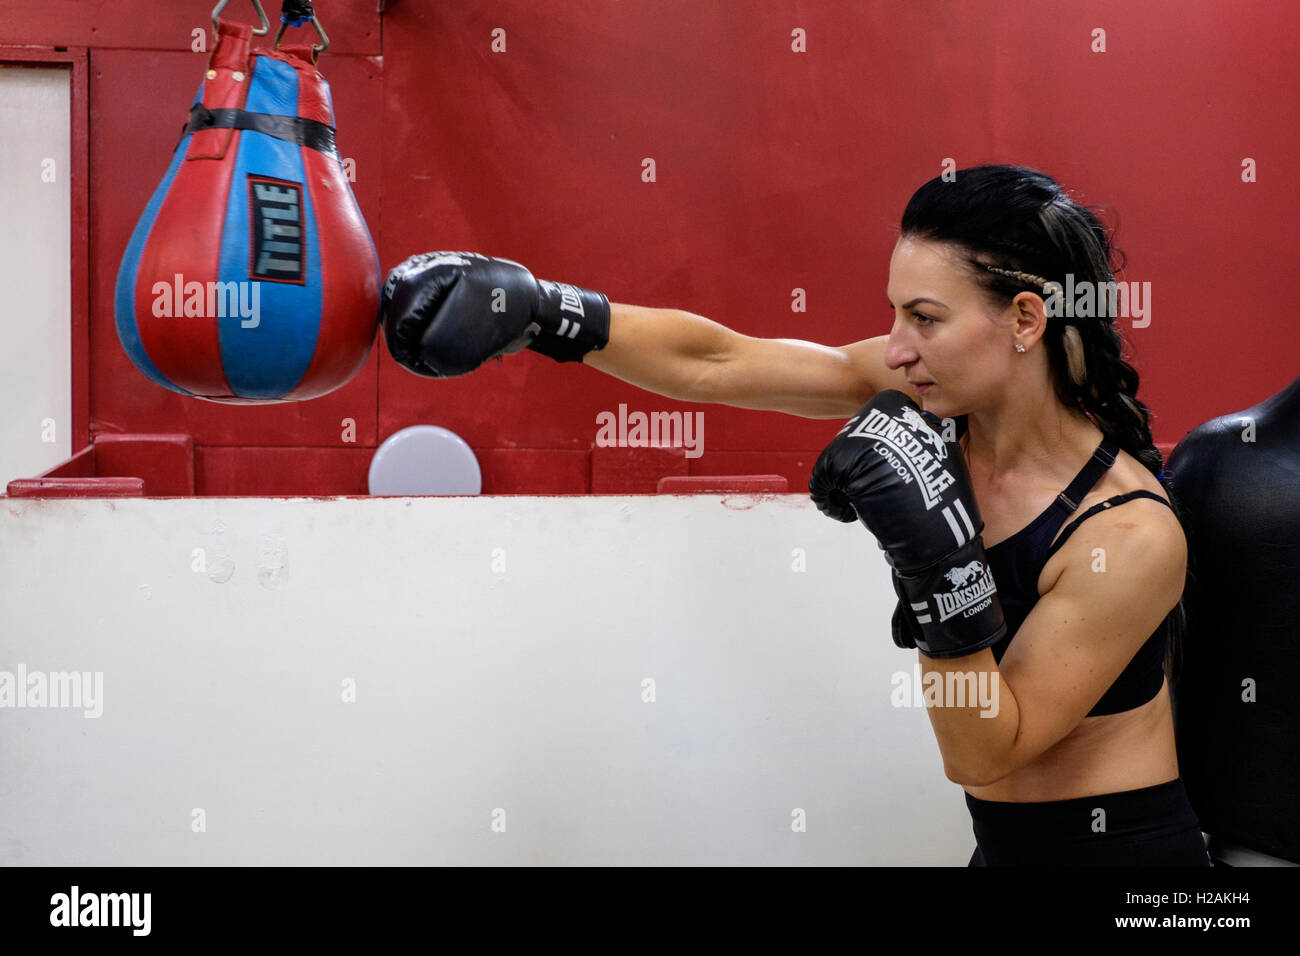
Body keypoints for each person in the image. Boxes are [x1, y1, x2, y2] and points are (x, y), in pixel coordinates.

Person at [381, 165, 1211, 866]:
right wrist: (546, 313)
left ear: (1027, 319)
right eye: (894, 313)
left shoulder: (1128, 533)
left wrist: (940, 575)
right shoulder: (940, 398)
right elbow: (721, 362)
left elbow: (982, 752)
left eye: (925, 318)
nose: (893, 348)